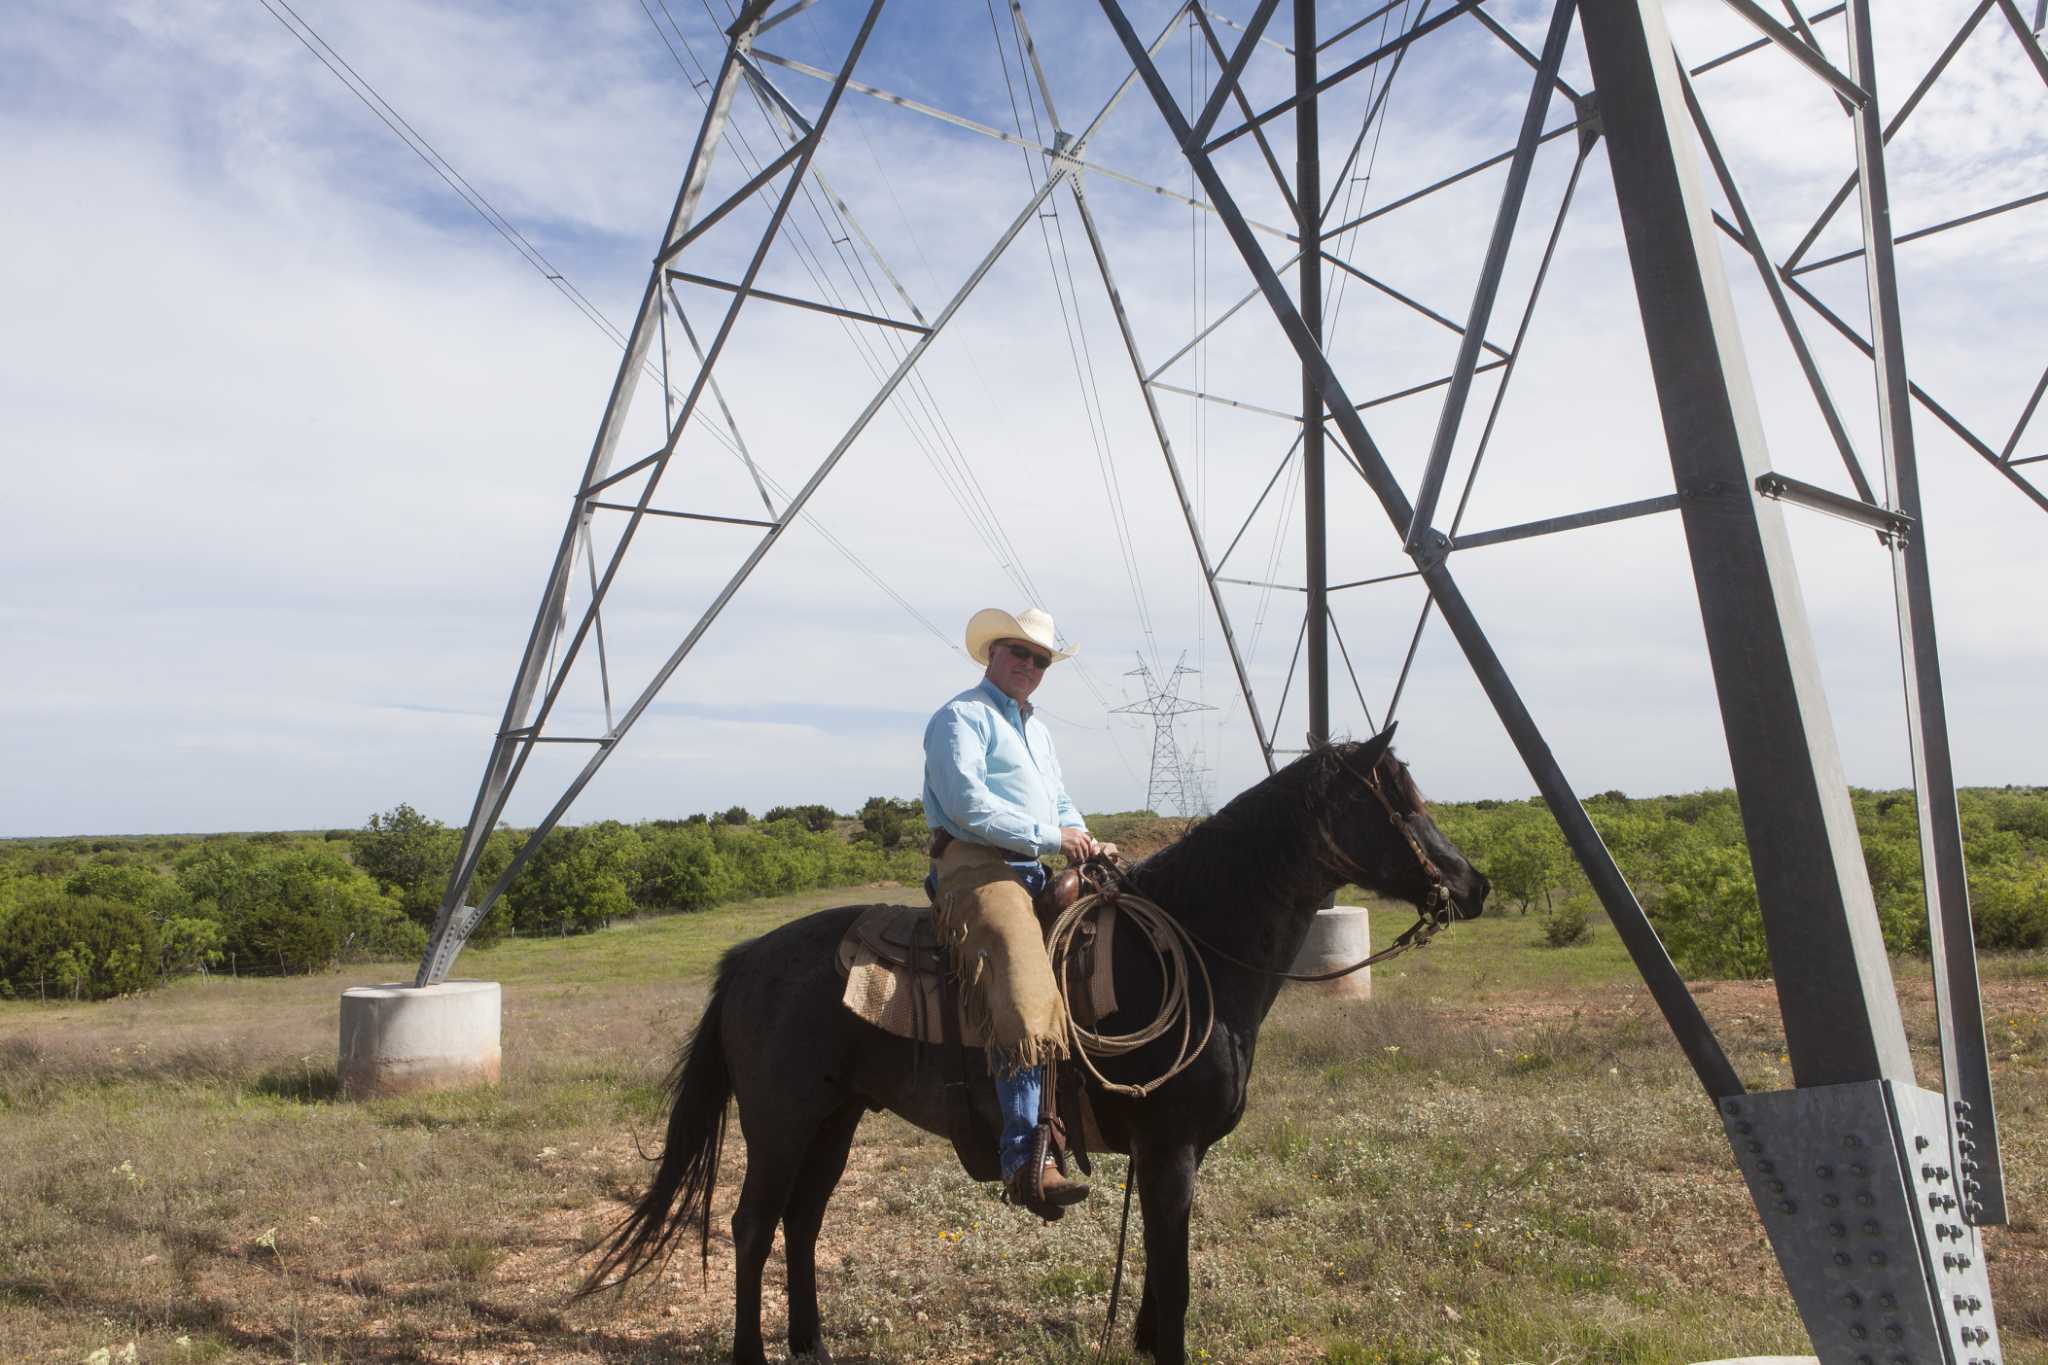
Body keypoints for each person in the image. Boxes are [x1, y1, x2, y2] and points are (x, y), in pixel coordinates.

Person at [922, 605, 1114, 1220]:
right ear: (992, 655)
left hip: (1035, 862)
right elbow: (967, 805)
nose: (1030, 666)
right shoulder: (961, 717)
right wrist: (1052, 838)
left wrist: (1085, 837)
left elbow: (1059, 800)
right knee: (1023, 974)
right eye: (1019, 653)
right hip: (978, 866)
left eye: (1041, 659)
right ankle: (1025, 1154)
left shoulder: (1037, 730)